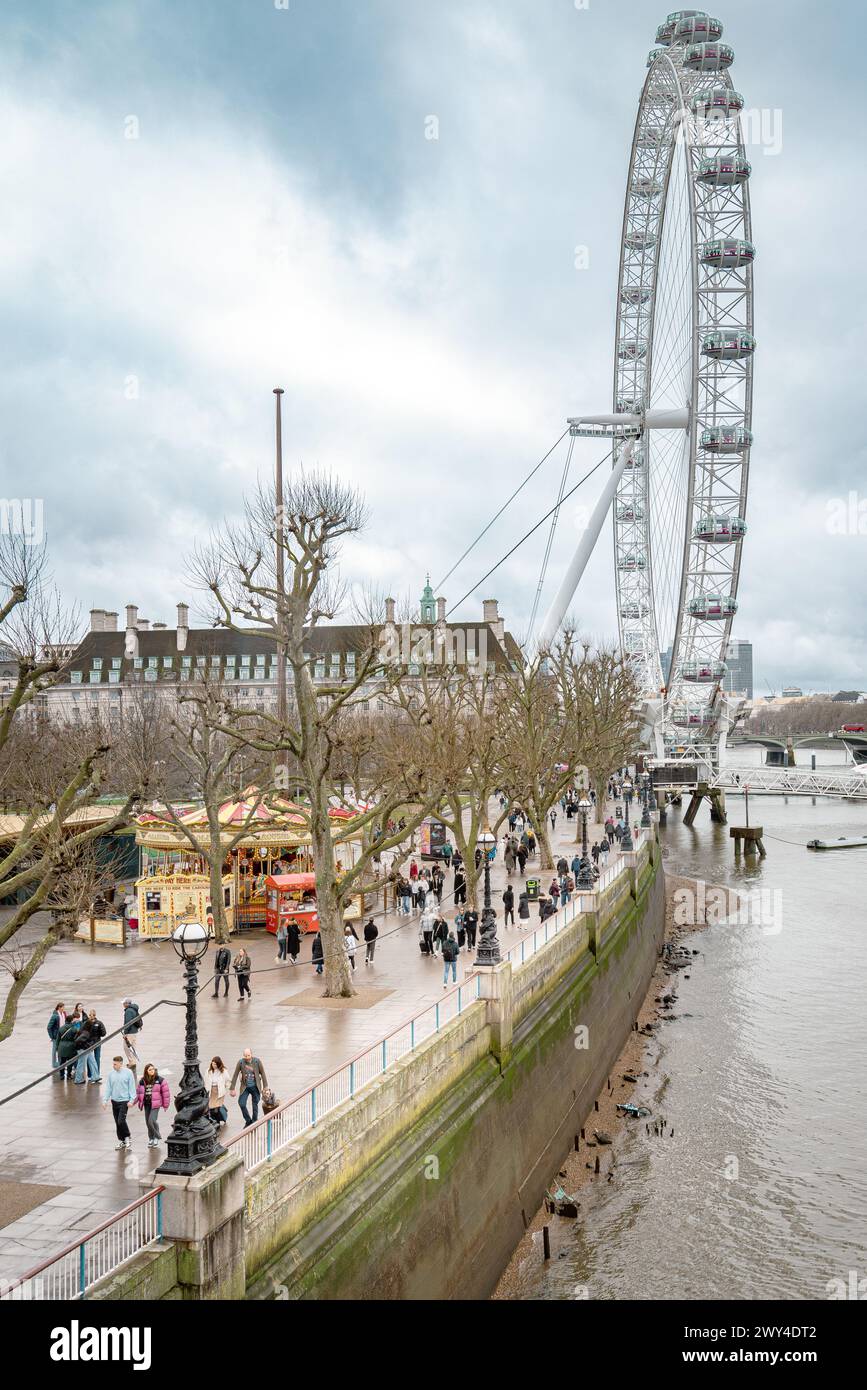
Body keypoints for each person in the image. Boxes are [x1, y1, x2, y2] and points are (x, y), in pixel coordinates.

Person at [103, 1056, 136, 1150]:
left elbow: (132, 1087)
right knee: (117, 1122)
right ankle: (122, 1141)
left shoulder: (128, 1073)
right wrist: (105, 1100)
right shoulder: (111, 1074)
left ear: (121, 1064)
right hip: (114, 1101)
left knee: (121, 1121)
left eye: (115, 1064)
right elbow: (108, 1088)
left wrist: (131, 1100)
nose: (113, 1066)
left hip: (124, 1101)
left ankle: (127, 1137)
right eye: (113, 1064)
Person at [230, 1048, 268, 1127]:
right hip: (245, 1087)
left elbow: (263, 1073)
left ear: (251, 1054)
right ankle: (248, 1120)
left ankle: (254, 1121)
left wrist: (265, 1086)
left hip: (255, 1086)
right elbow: (235, 1075)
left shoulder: (257, 1061)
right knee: (241, 1103)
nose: (247, 1057)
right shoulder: (240, 1062)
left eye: (248, 1055)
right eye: (245, 1056)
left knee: (255, 1104)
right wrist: (232, 1088)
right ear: (243, 1055)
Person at [135, 1063, 171, 1148]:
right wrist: (132, 1102)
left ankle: (157, 1137)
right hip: (147, 1104)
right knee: (148, 1122)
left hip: (155, 1104)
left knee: (152, 1121)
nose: (152, 1071)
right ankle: (151, 1138)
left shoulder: (160, 1080)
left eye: (153, 1069)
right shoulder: (142, 1081)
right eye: (150, 1070)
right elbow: (138, 1093)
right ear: (146, 1071)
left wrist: (166, 1105)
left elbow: (166, 1094)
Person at [207, 1056, 229, 1127]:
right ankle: (214, 1123)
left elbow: (228, 1081)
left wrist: (229, 1089)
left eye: (215, 1064)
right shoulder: (208, 1071)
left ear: (219, 1064)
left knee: (216, 1110)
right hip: (211, 1092)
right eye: (213, 1064)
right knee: (211, 1109)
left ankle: (217, 1123)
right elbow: (205, 1081)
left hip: (219, 1092)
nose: (214, 1066)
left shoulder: (223, 1071)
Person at [121, 998, 143, 1066]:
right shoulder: (134, 1009)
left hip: (130, 1032)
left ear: (127, 1004)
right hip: (134, 1031)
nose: (123, 1004)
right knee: (133, 1047)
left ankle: (131, 1062)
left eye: (124, 1003)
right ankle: (133, 1061)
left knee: (126, 1047)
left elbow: (128, 1023)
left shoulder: (128, 1011)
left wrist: (125, 1033)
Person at [47, 1002, 67, 1071]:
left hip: (62, 1035)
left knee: (60, 1049)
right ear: (59, 1008)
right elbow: (49, 1027)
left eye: (64, 1007)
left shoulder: (64, 1013)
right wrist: (52, 1036)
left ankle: (59, 1063)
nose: (64, 1009)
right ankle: (54, 1063)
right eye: (62, 1007)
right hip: (56, 1036)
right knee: (54, 1049)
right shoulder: (55, 1016)